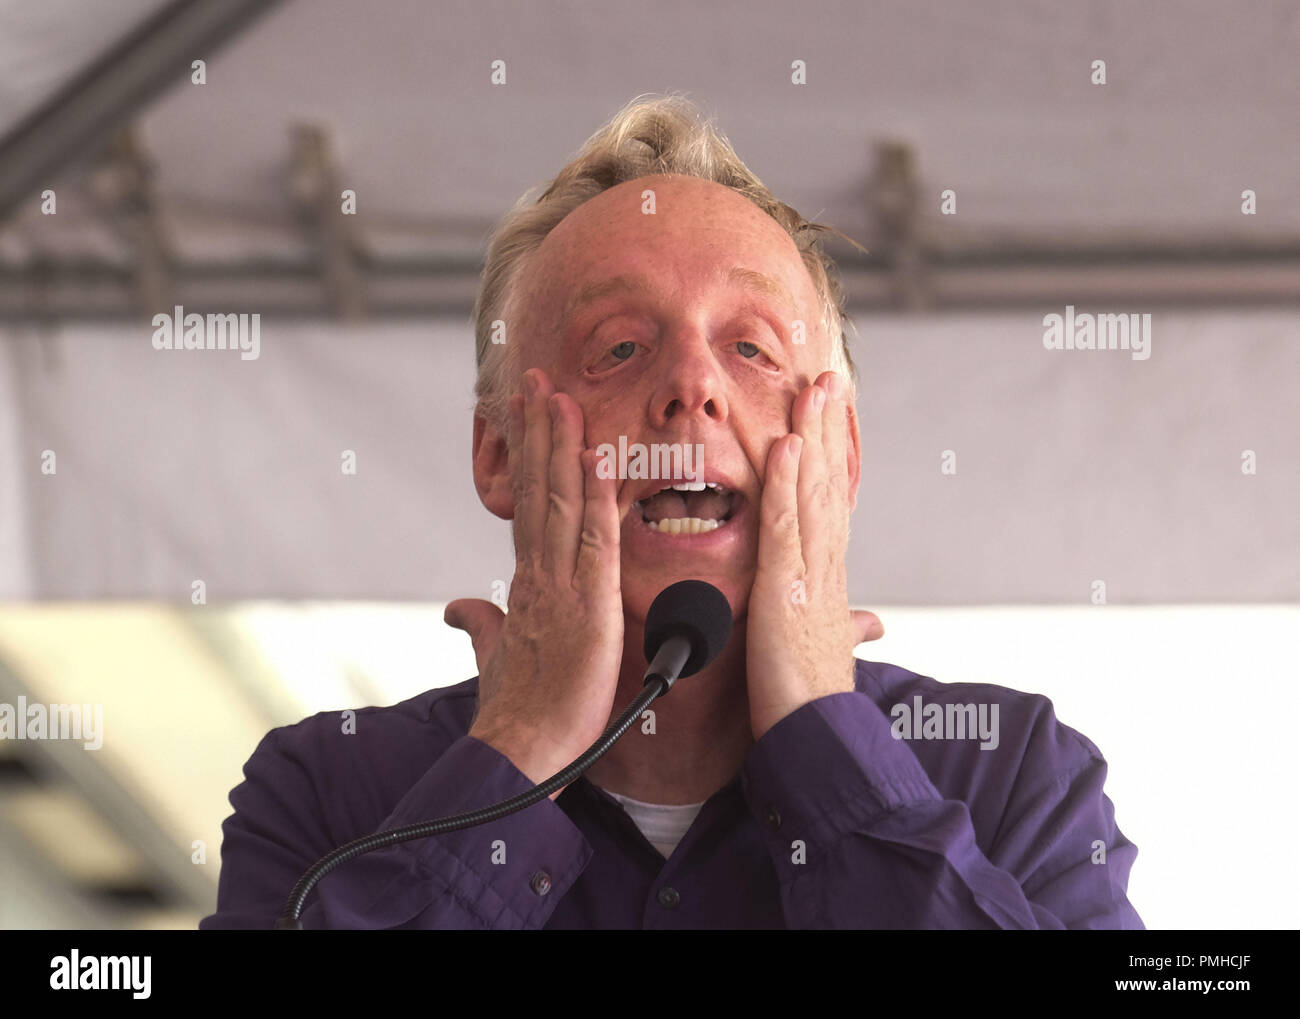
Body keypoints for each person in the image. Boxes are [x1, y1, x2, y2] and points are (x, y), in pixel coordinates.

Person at [200, 94, 1142, 929]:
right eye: (616, 348)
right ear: (499, 455)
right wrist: (518, 752)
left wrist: (829, 743)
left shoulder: (1017, 778)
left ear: (839, 457)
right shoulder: (325, 790)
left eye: (752, 348)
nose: (692, 384)